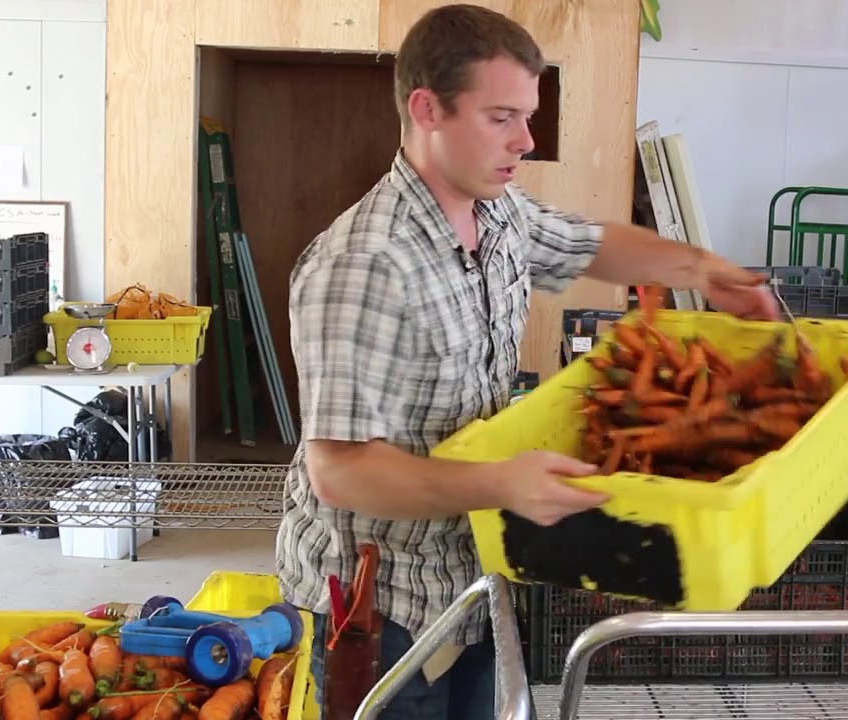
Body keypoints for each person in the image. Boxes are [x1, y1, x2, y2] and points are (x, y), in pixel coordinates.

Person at [275, 4, 779, 718]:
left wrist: (704, 268)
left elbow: (590, 244)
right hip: (381, 611)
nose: (527, 139)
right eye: (502, 116)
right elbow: (341, 470)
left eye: (528, 115)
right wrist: (501, 483)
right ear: (428, 109)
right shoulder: (365, 266)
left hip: (478, 576)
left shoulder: (497, 212)